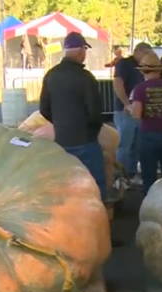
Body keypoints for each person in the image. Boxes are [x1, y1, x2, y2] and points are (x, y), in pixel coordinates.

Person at [40, 32, 106, 199]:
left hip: (62, 140)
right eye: (85, 50)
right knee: (94, 186)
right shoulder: (86, 78)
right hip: (86, 141)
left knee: (66, 187)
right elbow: (95, 112)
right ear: (80, 51)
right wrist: (91, 130)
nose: (85, 54)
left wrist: (60, 123)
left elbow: (44, 109)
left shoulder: (51, 75)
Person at [130, 53, 162, 194]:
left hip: (149, 134)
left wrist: (130, 109)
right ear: (159, 70)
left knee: (149, 175)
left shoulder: (140, 89)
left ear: (143, 71)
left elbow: (137, 114)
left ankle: (150, 202)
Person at [113, 42, 153, 184]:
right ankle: (120, 177)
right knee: (125, 145)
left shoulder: (143, 67)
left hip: (139, 111)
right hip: (125, 111)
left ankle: (131, 173)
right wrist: (126, 103)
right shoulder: (124, 64)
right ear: (138, 51)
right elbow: (117, 83)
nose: (147, 57)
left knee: (136, 144)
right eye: (146, 54)